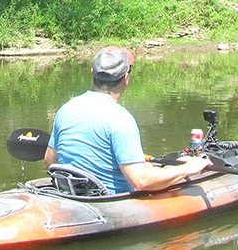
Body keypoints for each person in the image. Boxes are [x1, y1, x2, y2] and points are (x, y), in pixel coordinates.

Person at [43, 46, 212, 194]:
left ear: (93, 73)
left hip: (72, 194)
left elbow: (50, 161)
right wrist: (188, 168)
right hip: (110, 203)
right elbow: (141, 181)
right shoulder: (120, 119)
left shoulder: (66, 108)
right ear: (126, 78)